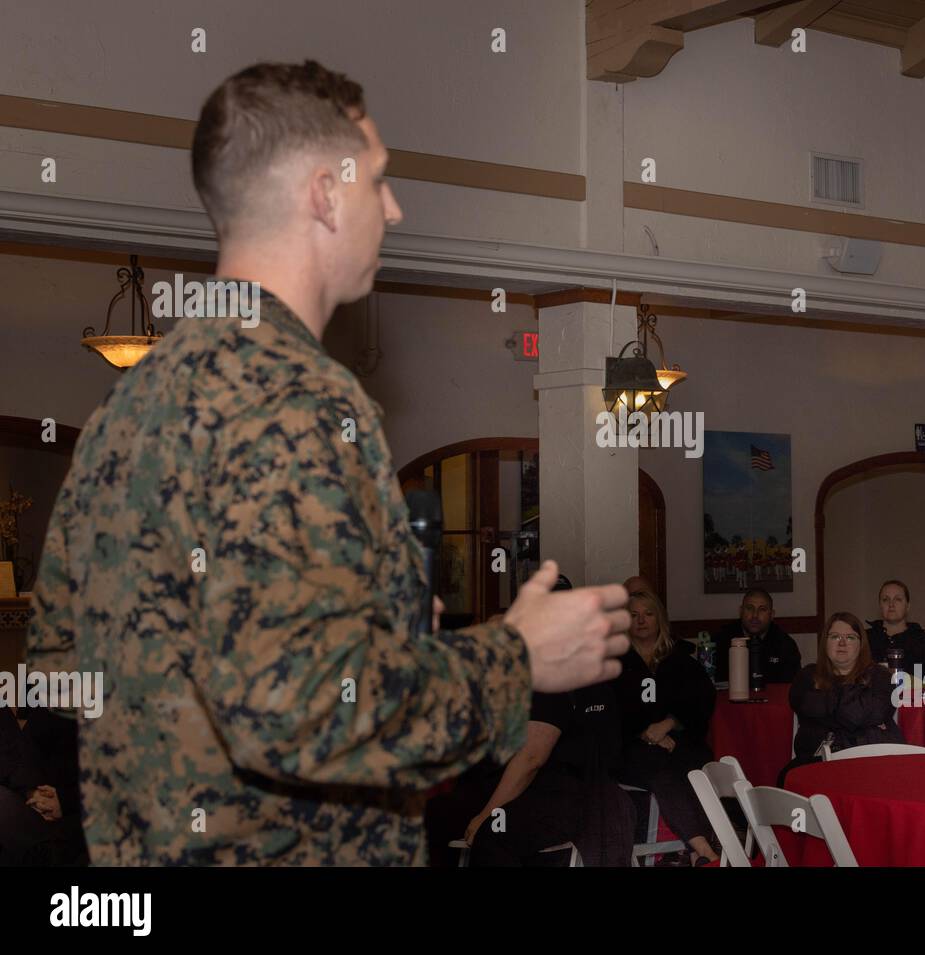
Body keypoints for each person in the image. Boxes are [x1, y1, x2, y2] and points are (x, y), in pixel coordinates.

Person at [24, 61, 631, 866]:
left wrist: (383, 641)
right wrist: (517, 656)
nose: (394, 207)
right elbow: (303, 714)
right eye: (377, 181)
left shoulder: (121, 413)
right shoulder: (300, 400)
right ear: (322, 192)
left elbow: (63, 671)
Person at [465, 679, 636, 867]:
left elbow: (532, 759)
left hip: (565, 796)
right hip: (588, 795)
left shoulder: (551, 686)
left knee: (492, 833)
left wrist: (487, 813)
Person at [615, 591, 719, 865]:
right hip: (632, 747)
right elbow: (609, 713)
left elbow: (702, 699)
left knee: (697, 766)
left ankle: (700, 847)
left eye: (648, 614)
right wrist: (646, 733)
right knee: (660, 770)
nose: (641, 621)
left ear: (659, 619)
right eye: (634, 615)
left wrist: (670, 723)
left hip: (679, 739)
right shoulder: (615, 663)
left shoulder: (680, 659)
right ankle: (703, 848)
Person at [777, 613, 902, 785]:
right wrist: (859, 709)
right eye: (835, 636)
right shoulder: (807, 676)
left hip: (870, 762)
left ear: (861, 644)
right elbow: (854, 715)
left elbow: (870, 712)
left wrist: (828, 709)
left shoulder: (880, 676)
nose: (842, 643)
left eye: (850, 637)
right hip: (816, 763)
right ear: (825, 642)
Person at [0, 705, 88, 865]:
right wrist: (31, 792)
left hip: (74, 819)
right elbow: (20, 755)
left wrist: (65, 801)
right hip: (33, 803)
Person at [711, 588, 802, 684]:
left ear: (772, 615)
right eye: (750, 608)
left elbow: (792, 687)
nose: (755, 615)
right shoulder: (721, 640)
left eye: (762, 609)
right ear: (741, 611)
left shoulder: (785, 644)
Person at [865, 580, 925, 676]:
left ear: (907, 606)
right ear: (880, 605)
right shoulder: (864, 640)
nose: (891, 604)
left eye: (898, 599)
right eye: (885, 599)